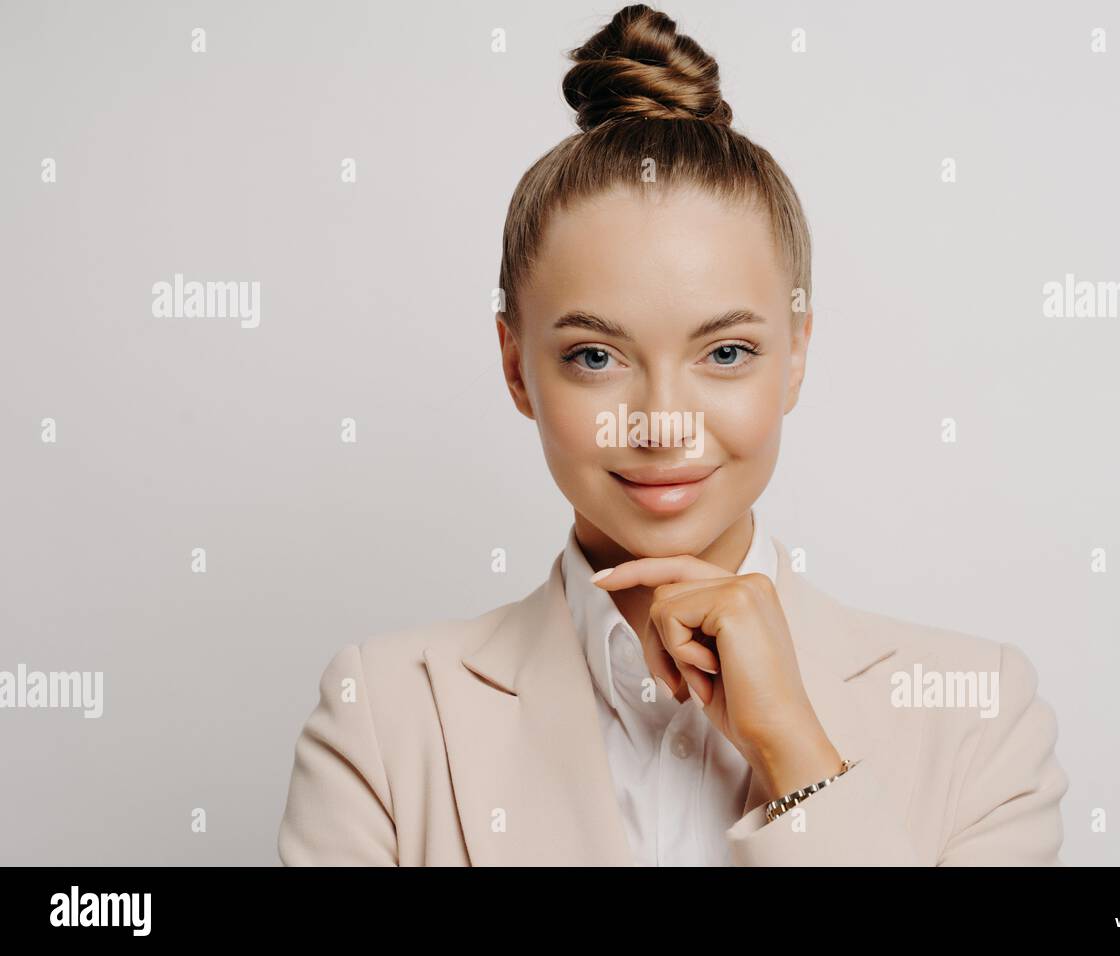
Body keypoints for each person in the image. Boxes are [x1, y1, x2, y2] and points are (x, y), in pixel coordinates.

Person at [276, 3, 1068, 866]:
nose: (660, 424)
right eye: (594, 356)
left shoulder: (977, 714)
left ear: (795, 356)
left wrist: (798, 753)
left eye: (725, 352)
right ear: (515, 368)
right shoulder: (388, 716)